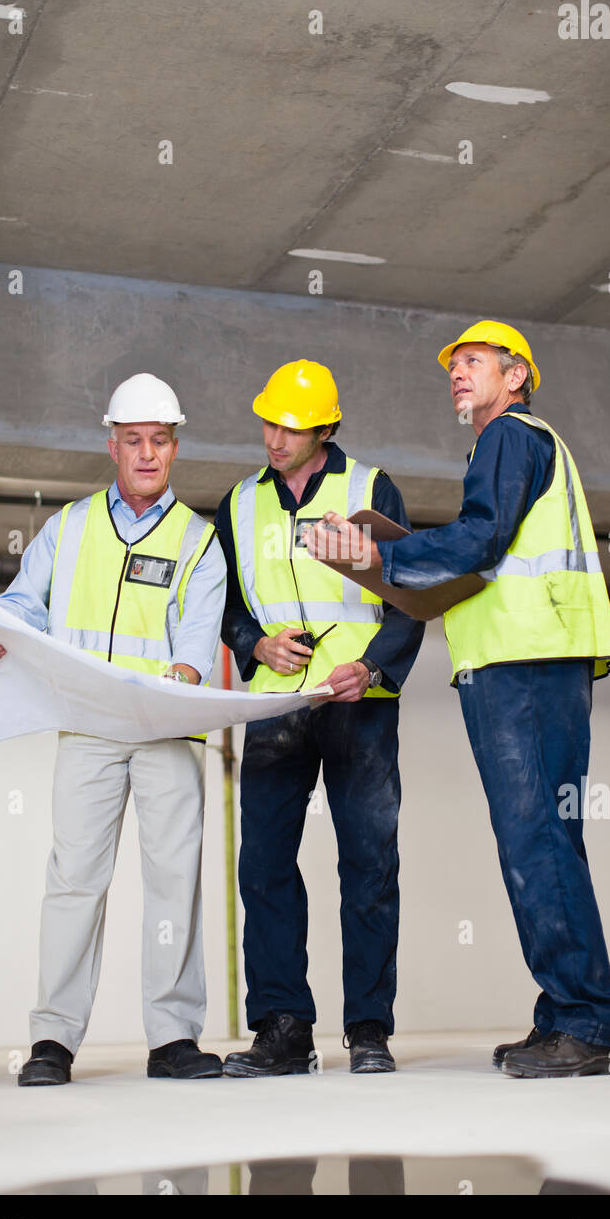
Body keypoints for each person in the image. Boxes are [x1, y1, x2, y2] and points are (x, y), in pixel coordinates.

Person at [305, 322, 610, 1078]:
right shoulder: (508, 443)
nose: (458, 374)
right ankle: (564, 1015)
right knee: (544, 840)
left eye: (474, 362)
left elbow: (481, 539)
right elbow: (487, 552)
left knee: (537, 840)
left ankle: (590, 1023)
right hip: (519, 659)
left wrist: (379, 554)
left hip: (526, 660)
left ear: (516, 376)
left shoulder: (510, 437)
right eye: (453, 366)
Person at [0, 373, 227, 1084]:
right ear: (113, 445)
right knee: (74, 879)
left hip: (167, 731)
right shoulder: (68, 528)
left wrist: (179, 683)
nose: (146, 454)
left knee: (176, 881)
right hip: (87, 729)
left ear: (174, 447)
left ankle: (173, 1038)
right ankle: (53, 1041)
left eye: (159, 441)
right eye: (133, 440)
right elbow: (22, 609)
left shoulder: (199, 542)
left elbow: (196, 647)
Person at [214, 360, 425, 1075]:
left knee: (368, 864)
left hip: (359, 703)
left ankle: (368, 1030)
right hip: (277, 703)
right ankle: (283, 1029)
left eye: (291, 426)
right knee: (265, 865)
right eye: (268, 422)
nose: (274, 437)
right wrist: (254, 643)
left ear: (326, 429)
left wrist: (371, 669)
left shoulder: (370, 488)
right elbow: (228, 602)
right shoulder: (240, 503)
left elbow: (411, 594)